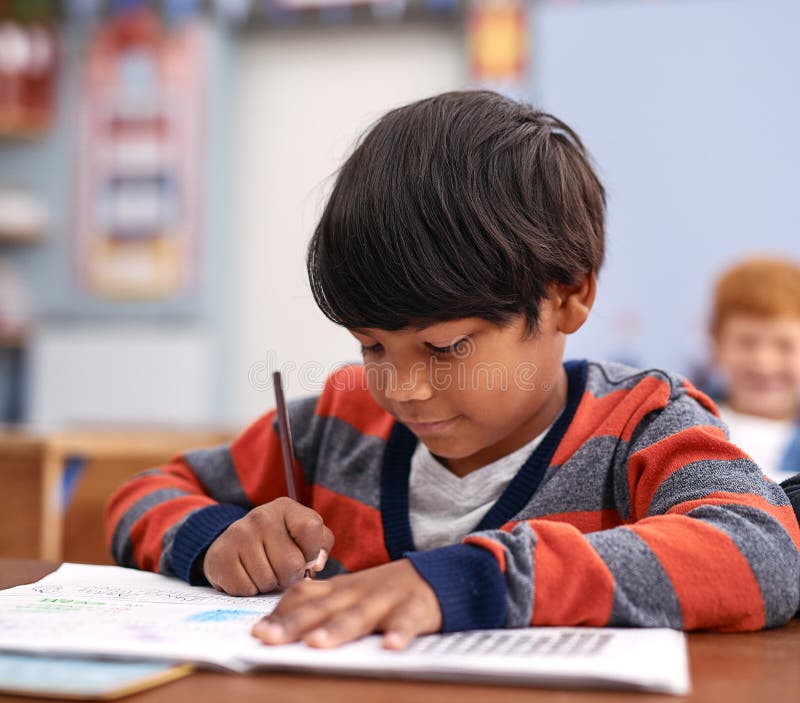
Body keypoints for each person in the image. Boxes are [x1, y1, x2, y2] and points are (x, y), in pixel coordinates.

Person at [105, 91, 800, 651]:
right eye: (372, 347)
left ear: (568, 297)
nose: (402, 387)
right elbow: (144, 494)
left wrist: (473, 580)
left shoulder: (639, 428)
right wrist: (212, 539)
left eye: (444, 349)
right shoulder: (333, 428)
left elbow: (763, 550)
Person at [709, 257, 800, 482]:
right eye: (747, 342)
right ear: (717, 343)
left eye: (784, 345)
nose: (764, 364)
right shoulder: (681, 430)